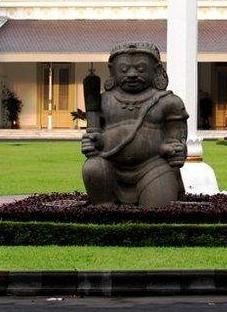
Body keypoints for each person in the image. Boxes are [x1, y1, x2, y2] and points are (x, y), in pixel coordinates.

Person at [80, 43, 188, 207]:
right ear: (112, 71)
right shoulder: (104, 101)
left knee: (157, 210)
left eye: (141, 69)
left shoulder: (169, 102)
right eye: (124, 69)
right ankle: (105, 212)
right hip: (111, 167)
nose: (131, 74)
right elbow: (95, 135)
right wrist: (92, 142)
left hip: (152, 167)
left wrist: (174, 149)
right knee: (93, 167)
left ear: (156, 69)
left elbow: (177, 140)